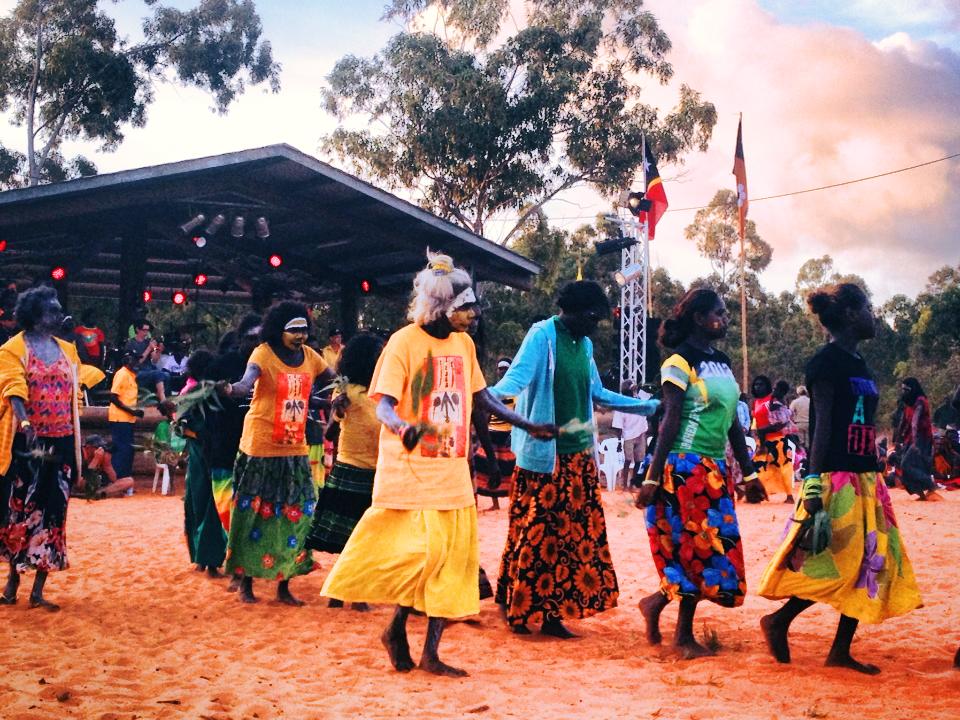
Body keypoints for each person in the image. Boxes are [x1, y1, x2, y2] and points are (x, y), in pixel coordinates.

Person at [321, 251, 554, 676]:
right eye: (466, 307)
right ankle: (397, 629)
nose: (474, 315)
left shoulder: (463, 345)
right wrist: (402, 426)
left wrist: (527, 424)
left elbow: (481, 397)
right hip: (410, 476)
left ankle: (428, 650)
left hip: (451, 474)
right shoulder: (403, 342)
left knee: (451, 566)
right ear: (441, 307)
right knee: (421, 559)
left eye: (473, 306)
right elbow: (384, 406)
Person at [758, 283, 921, 675]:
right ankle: (779, 620)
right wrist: (812, 481)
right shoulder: (826, 363)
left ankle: (840, 650)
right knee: (834, 560)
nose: (873, 314)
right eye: (868, 307)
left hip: (867, 477)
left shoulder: (859, 363)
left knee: (869, 562)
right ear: (849, 313)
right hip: (837, 477)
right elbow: (823, 426)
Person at [491, 280, 659, 638]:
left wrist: (648, 406)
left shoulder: (584, 345)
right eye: (593, 317)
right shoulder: (541, 337)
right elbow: (513, 382)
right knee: (535, 537)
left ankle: (552, 616)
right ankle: (518, 610)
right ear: (574, 310)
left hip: (578, 459)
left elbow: (597, 392)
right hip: (543, 459)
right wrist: (477, 397)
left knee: (569, 542)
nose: (595, 324)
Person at [634, 287, 761, 659]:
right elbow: (670, 420)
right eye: (718, 312)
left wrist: (749, 473)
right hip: (684, 469)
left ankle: (656, 603)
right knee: (694, 548)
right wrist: (653, 478)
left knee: (711, 548)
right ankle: (684, 638)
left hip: (713, 470)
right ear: (697, 318)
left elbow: (732, 423)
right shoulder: (678, 361)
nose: (724, 317)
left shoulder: (721, 360)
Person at [219, 303, 334, 605]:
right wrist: (231, 390)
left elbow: (333, 380)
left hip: (295, 449)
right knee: (253, 513)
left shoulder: (311, 357)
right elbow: (246, 384)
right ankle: (245, 582)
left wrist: (343, 393)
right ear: (278, 331)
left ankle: (284, 584)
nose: (300, 336)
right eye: (293, 330)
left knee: (298, 513)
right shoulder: (263, 354)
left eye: (304, 330)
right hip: (261, 447)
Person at [0, 286, 103, 609]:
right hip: (27, 447)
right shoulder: (12, 349)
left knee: (54, 513)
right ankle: (12, 583)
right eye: (52, 311)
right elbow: (13, 387)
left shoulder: (67, 350)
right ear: (34, 315)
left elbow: (79, 384)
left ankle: (37, 590)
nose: (59, 315)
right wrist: (25, 422)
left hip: (60, 444)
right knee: (21, 510)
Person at [305, 332, 384, 610]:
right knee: (351, 536)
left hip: (377, 472)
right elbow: (330, 433)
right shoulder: (346, 391)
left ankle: (348, 591)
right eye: (377, 354)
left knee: (365, 537)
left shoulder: (384, 392)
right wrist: (337, 410)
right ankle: (346, 593)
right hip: (351, 469)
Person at [179, 350, 228, 577]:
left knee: (196, 504)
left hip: (196, 456)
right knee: (210, 506)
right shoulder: (205, 393)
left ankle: (200, 558)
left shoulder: (190, 393)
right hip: (210, 453)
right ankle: (209, 562)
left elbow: (180, 427)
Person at [473, 357, 516, 511]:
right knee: (485, 466)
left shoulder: (516, 393)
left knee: (511, 470)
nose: (502, 371)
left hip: (508, 435)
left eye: (505, 368)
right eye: (500, 368)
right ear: (497, 371)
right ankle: (495, 503)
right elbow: (487, 414)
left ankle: (512, 502)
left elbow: (517, 413)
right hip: (492, 434)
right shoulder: (492, 391)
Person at [752, 375, 795, 502]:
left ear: (768, 386)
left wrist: (764, 430)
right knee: (759, 466)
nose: (758, 387)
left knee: (783, 467)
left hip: (777, 439)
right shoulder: (756, 402)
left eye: (761, 384)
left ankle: (789, 496)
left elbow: (782, 419)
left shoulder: (774, 399)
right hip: (763, 441)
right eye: (756, 385)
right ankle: (759, 494)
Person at [894, 378, 938, 500]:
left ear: (912, 389)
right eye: (902, 389)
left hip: (922, 439)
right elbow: (903, 421)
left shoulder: (920, 401)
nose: (904, 392)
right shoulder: (907, 403)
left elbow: (915, 422)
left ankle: (930, 485)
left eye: (906, 389)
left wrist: (915, 442)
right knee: (905, 468)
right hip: (910, 438)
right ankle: (922, 494)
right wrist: (898, 440)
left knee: (906, 465)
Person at [108, 352, 143, 491]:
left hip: (128, 419)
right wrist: (132, 411)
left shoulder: (132, 376)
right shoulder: (122, 374)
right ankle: (118, 483)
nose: (137, 363)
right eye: (134, 360)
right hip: (119, 418)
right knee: (122, 450)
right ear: (127, 360)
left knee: (128, 451)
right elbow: (113, 397)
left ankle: (125, 482)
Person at [612, 381, 651, 490]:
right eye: (632, 387)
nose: (634, 388)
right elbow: (618, 426)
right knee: (628, 460)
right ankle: (624, 484)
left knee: (639, 460)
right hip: (628, 435)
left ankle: (632, 483)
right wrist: (619, 442)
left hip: (641, 433)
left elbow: (649, 395)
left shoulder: (641, 399)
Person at [124, 320, 170, 404]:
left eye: (147, 330)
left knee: (166, 375)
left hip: (149, 370)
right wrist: (148, 348)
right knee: (157, 374)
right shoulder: (131, 343)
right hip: (137, 372)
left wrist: (159, 350)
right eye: (144, 330)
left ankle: (160, 396)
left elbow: (154, 360)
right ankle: (163, 400)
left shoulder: (148, 342)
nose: (146, 333)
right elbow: (137, 362)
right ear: (138, 330)